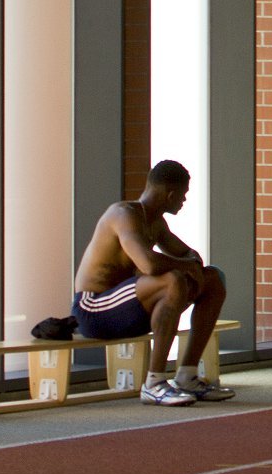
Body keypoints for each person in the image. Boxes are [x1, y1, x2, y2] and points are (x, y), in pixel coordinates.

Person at [73, 159, 234, 406]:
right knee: (172, 281)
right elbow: (149, 264)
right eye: (183, 195)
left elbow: (190, 257)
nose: (184, 201)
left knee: (212, 279)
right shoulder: (123, 214)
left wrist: (193, 267)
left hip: (128, 311)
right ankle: (154, 384)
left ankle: (186, 376)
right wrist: (186, 267)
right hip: (94, 309)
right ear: (170, 194)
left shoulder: (157, 223)